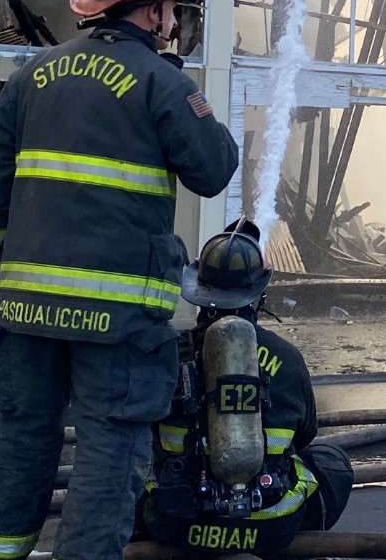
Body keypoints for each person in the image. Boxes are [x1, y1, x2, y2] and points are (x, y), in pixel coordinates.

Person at [0, 0, 239, 560]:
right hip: (115, 316)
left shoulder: (33, 73)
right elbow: (214, 168)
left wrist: (16, 252)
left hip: (27, 307)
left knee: (21, 436)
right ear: (152, 13)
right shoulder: (163, 83)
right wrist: (185, 95)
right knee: (110, 448)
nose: (175, 22)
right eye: (173, 9)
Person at [139, 221, 352, 557]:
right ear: (259, 295)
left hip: (175, 524)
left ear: (198, 290)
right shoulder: (287, 357)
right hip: (271, 525)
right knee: (331, 460)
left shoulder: (167, 353)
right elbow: (306, 434)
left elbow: (143, 427)